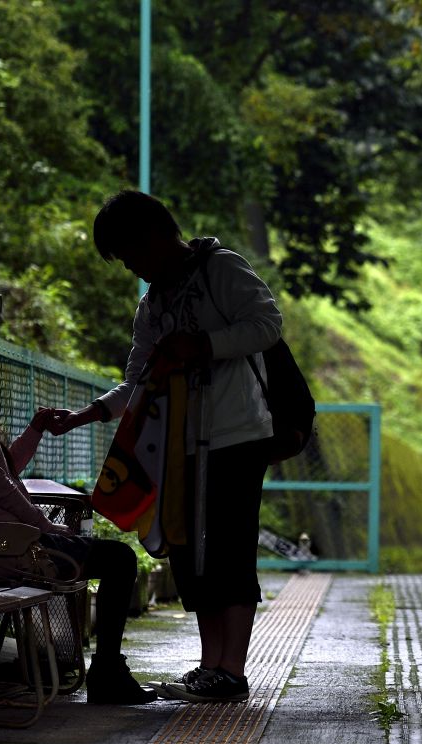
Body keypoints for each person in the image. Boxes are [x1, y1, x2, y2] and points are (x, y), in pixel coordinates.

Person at [46, 189, 281, 703]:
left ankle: (232, 671)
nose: (134, 267)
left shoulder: (223, 270)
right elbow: (139, 380)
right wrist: (87, 414)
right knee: (193, 554)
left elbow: (267, 324)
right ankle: (209, 667)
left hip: (237, 435)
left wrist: (203, 346)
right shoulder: (152, 305)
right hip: (181, 448)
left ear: (154, 235)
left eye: (132, 254)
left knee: (230, 551)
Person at [0, 319, 156, 705]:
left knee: (116, 558)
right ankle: (108, 672)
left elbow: (3, 471)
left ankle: (108, 670)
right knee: (120, 559)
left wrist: (35, 429)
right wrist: (48, 527)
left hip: (5, 538)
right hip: (3, 546)